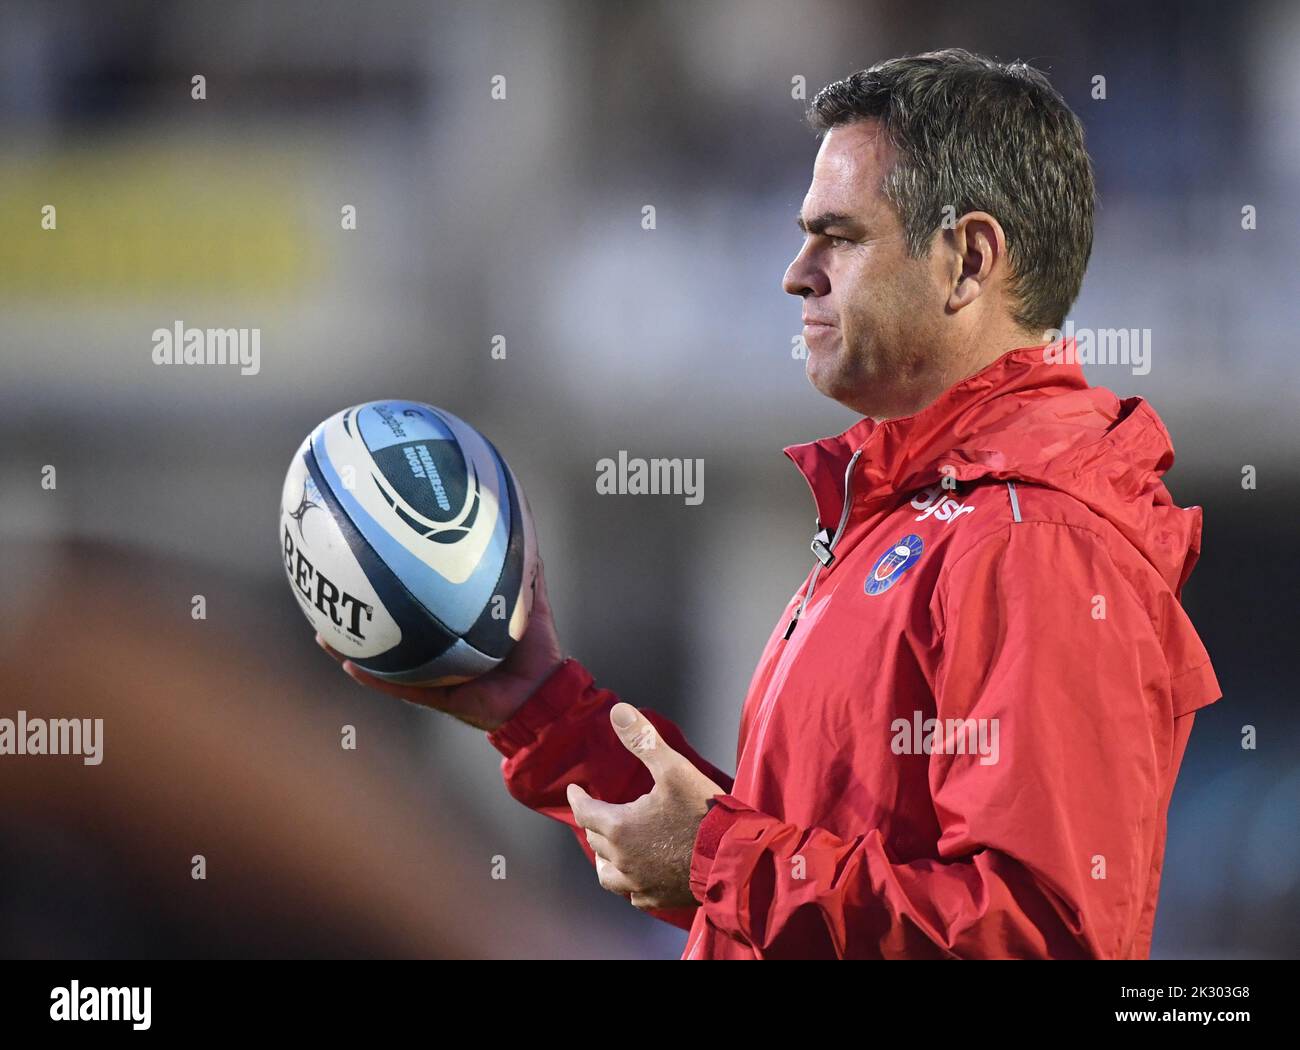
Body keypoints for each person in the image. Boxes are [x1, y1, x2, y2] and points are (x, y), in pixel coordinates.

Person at [321, 49, 1221, 959]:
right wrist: (543, 711)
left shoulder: (1037, 539)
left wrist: (719, 859)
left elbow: (1041, 940)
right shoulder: (913, 514)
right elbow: (801, 886)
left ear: (968, 259)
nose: (796, 273)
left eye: (841, 236)